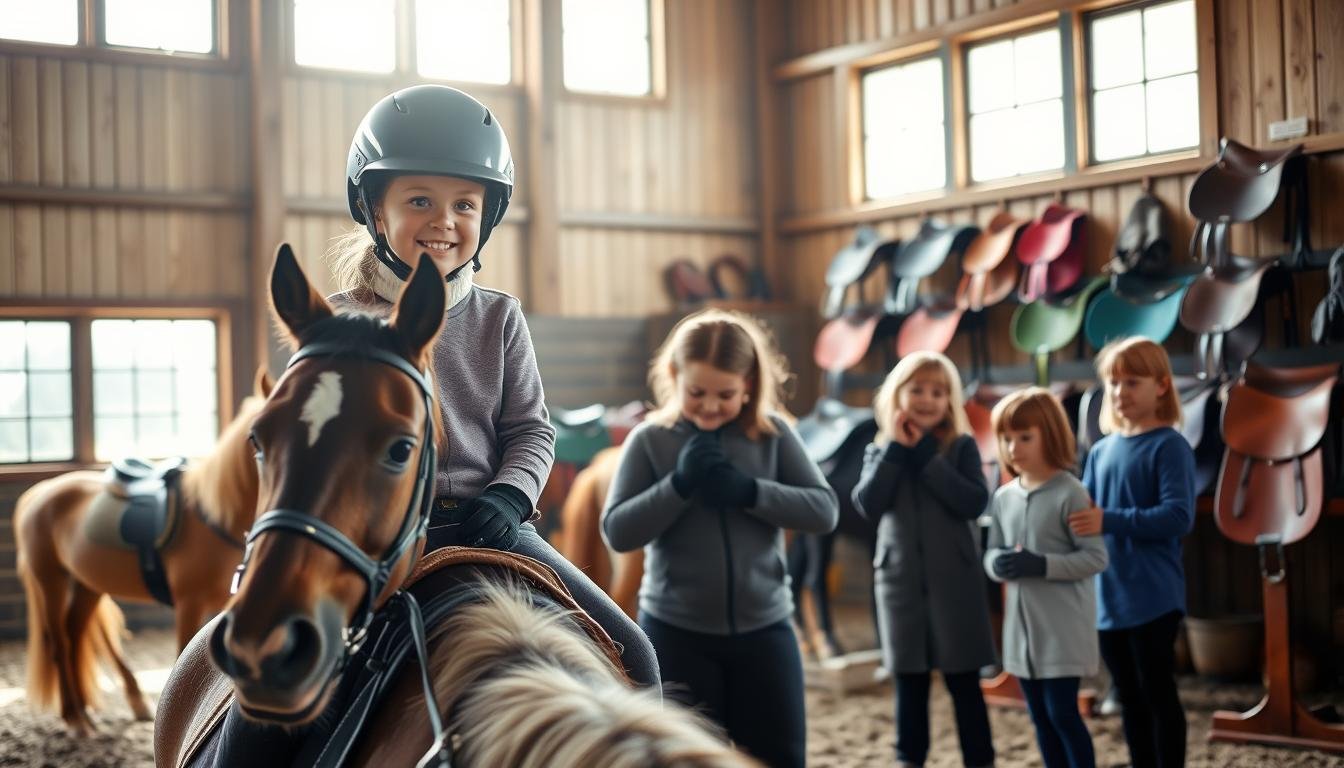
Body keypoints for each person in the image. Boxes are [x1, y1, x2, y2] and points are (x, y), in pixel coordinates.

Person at [326, 84, 659, 690]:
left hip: (494, 529)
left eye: (464, 205)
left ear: (487, 216)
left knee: (634, 654)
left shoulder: (500, 318)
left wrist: (510, 497)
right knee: (276, 673)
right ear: (377, 211)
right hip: (375, 540)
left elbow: (531, 429)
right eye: (420, 200)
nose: (444, 222)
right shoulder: (342, 322)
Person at [601, 308, 838, 768]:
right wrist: (678, 487)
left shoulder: (773, 434)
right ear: (674, 376)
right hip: (676, 633)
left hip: (766, 631)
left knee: (781, 758)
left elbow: (824, 510)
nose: (710, 405)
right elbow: (618, 530)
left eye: (725, 394)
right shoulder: (650, 441)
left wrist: (751, 491)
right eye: (697, 393)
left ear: (749, 383)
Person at [851, 351, 996, 768]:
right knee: (909, 682)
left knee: (963, 681)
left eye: (937, 392)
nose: (927, 399)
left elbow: (972, 501)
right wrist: (898, 450)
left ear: (949, 400)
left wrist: (927, 460)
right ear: (898, 395)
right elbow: (868, 503)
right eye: (917, 390)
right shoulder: (880, 450)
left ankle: (980, 760)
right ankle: (908, 758)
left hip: (956, 584)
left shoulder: (961, 447)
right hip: (899, 584)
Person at [1067, 337, 1196, 768]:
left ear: (1161, 386)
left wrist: (1110, 520)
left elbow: (1178, 518)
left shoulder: (1169, 445)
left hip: (1154, 596)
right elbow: (1086, 514)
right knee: (1129, 698)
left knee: (1157, 692)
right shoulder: (1101, 450)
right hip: (1108, 597)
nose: (1120, 392)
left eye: (1132, 382)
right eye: (1113, 382)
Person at [984, 387, 1107, 768]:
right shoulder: (1004, 497)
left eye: (1025, 437)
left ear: (1049, 435)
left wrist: (1043, 565)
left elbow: (1095, 557)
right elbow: (992, 551)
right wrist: (996, 565)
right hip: (1021, 637)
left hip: (1062, 631)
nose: (1013, 446)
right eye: (1006, 438)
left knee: (1062, 715)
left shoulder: (1071, 493)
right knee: (1038, 716)